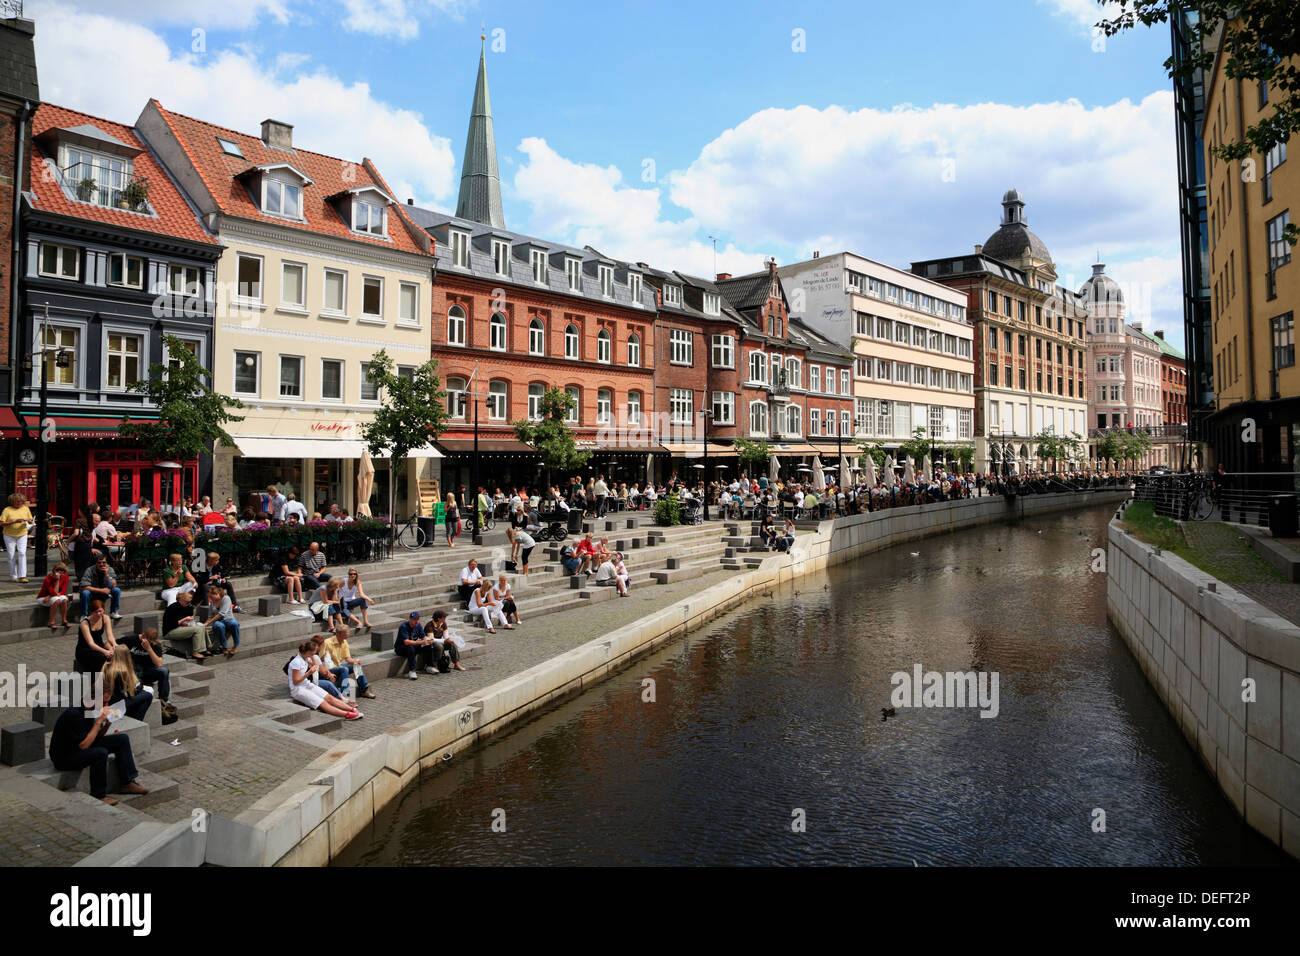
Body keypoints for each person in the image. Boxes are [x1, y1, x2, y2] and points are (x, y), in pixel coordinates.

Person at [48, 687, 149, 805]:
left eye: (108, 702)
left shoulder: (90, 708)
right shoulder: (74, 714)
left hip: (80, 746)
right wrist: (98, 722)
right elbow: (83, 746)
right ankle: (99, 794)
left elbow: (95, 737)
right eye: (104, 702)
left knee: (122, 739)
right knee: (100, 753)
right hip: (65, 757)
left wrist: (106, 725)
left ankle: (127, 782)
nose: (106, 705)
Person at [288, 640, 362, 719]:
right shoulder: (296, 662)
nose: (314, 655)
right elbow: (295, 682)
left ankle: (352, 709)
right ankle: (347, 715)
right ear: (308, 652)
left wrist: (312, 657)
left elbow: (316, 664)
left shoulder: (306, 657)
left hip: (306, 684)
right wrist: (308, 673)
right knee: (323, 703)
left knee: (329, 697)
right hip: (298, 689)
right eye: (313, 653)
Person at [102, 644, 153, 722]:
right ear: (127, 656)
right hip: (117, 704)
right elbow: (128, 693)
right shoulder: (122, 671)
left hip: (110, 701)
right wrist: (139, 687)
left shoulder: (106, 665)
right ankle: (137, 720)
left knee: (144, 692)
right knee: (148, 695)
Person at [324, 626, 375, 699]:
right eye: (347, 632)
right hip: (330, 668)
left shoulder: (344, 642)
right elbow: (321, 659)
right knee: (344, 669)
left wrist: (355, 661)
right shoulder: (327, 642)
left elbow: (347, 658)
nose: (349, 634)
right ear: (340, 634)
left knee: (356, 666)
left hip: (339, 666)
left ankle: (364, 690)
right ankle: (345, 694)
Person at [163, 589, 212, 660]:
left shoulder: (188, 607)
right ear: (181, 600)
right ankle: (196, 652)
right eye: (187, 602)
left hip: (181, 627)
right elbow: (172, 624)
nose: (189, 603)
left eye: (190, 602)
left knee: (201, 626)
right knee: (197, 629)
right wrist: (184, 619)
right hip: (170, 631)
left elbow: (188, 620)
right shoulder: (172, 608)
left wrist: (189, 621)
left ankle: (206, 648)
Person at [394, 610, 437, 679]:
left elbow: (423, 636)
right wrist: (421, 642)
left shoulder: (418, 625)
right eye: (414, 619)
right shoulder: (403, 627)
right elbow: (406, 642)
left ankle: (429, 666)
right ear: (410, 619)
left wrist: (428, 639)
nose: (416, 621)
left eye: (417, 619)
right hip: (401, 648)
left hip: (412, 646)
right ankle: (412, 671)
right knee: (410, 647)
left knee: (429, 645)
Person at [2, 492, 33, 582]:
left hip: (22, 533)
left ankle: (22, 576)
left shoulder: (26, 509)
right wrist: (14, 521)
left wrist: (29, 521)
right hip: (9, 535)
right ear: (12, 501)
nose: (19, 503)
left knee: (22, 553)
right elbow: (1, 523)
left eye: (21, 501)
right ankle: (13, 576)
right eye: (17, 501)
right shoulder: (7, 510)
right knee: (11, 555)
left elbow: (31, 520)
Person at [203, 583, 240, 657]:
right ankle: (224, 646)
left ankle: (236, 645)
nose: (210, 598)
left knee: (234, 624)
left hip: (228, 619)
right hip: (219, 622)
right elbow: (210, 616)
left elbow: (222, 613)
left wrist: (209, 622)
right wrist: (204, 624)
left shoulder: (226, 598)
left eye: (211, 596)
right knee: (218, 625)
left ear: (217, 594)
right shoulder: (212, 602)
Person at [38, 562, 71, 630]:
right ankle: (51, 622)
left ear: (64, 571)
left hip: (51, 596)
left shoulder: (65, 577)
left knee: (64, 599)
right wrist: (57, 580)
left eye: (61, 570)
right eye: (57, 570)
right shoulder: (48, 578)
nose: (59, 572)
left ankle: (64, 620)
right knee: (56, 600)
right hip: (43, 597)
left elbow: (63, 591)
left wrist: (50, 596)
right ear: (54, 570)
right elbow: (53, 592)